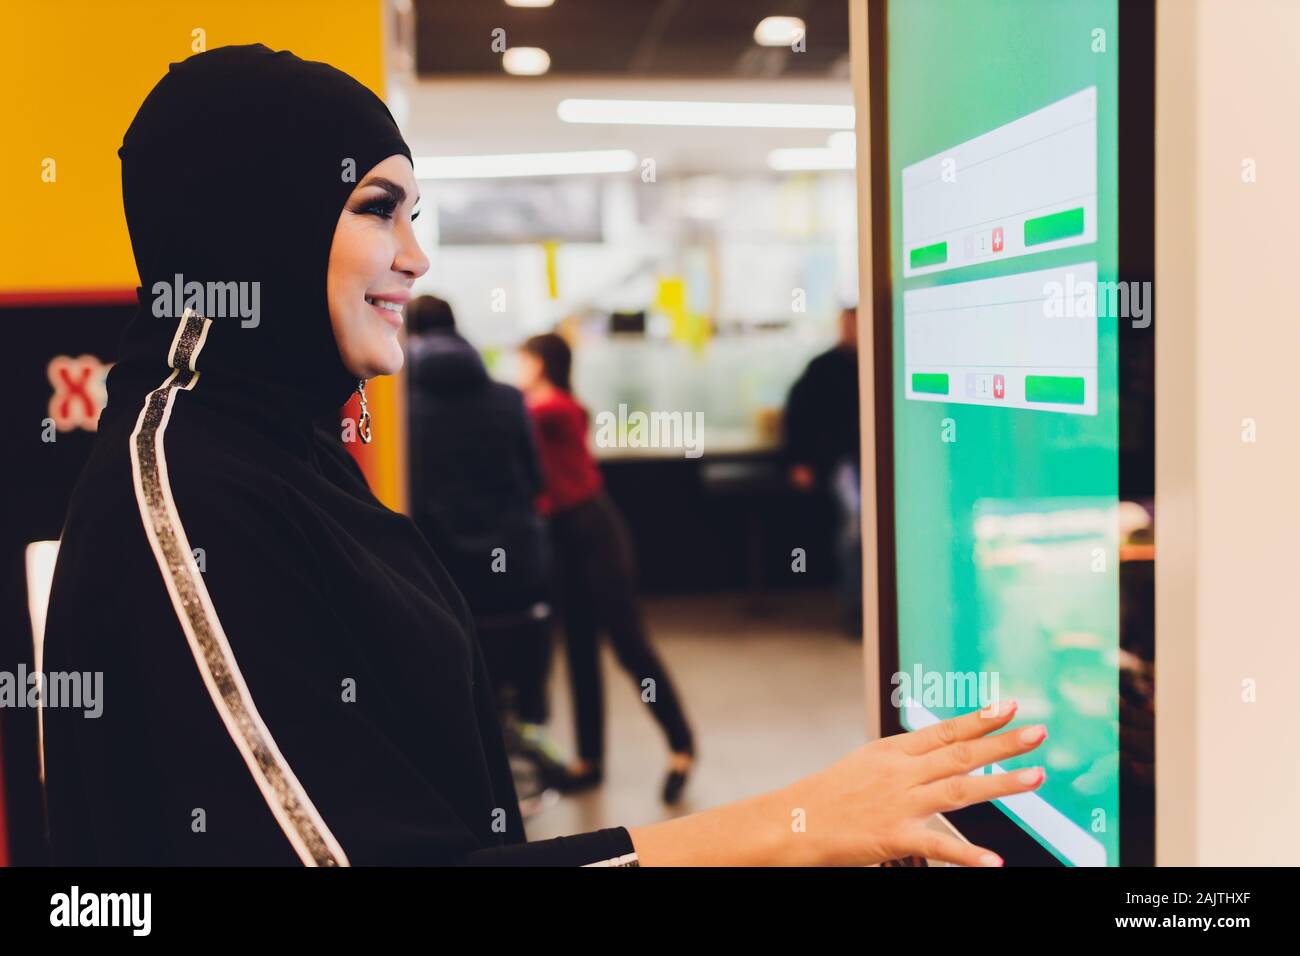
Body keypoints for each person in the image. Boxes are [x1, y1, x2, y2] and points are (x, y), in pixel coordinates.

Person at [41, 44, 1046, 867]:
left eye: (414, 217)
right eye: (376, 208)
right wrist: (791, 825)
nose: (415, 256)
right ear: (258, 224)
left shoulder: (276, 453)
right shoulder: (192, 493)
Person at [518, 333, 697, 803]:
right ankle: (590, 760)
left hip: (595, 530)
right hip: (560, 535)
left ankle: (682, 746)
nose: (519, 368)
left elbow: (560, 414)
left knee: (629, 645)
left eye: (524, 360)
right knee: (578, 651)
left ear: (541, 364)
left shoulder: (556, 408)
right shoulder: (531, 406)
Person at [404, 294, 569, 794]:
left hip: (450, 584)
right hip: (520, 577)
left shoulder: (403, 412)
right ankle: (529, 727)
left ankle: (475, 759)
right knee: (524, 646)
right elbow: (536, 480)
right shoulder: (509, 399)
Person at [784, 306, 863, 633]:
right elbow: (797, 414)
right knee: (856, 529)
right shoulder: (823, 368)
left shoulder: (882, 359)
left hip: (870, 461)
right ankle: (857, 609)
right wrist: (799, 460)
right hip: (843, 463)